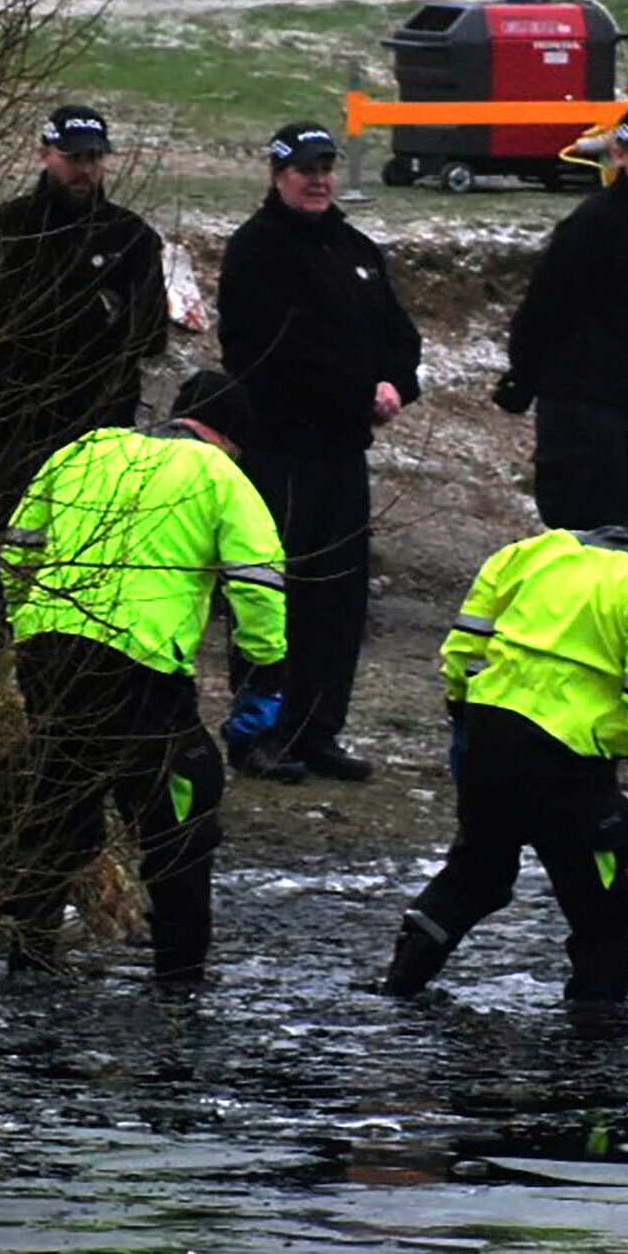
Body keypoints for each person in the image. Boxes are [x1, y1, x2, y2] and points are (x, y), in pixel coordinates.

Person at [375, 461, 628, 1015]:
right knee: (608, 908)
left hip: (488, 736)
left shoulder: (534, 552)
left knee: (477, 875)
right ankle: (592, 1053)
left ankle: (396, 990)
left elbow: (464, 645)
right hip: (566, 763)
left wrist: (461, 720)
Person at [0, 369, 286, 981]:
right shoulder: (219, 476)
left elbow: (17, 547)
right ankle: (180, 973)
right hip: (138, 661)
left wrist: (28, 626)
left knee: (60, 795)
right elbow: (259, 584)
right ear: (229, 437)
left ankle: (29, 955)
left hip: (49, 651)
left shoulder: (85, 451)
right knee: (180, 800)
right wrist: (262, 667)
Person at [212, 120, 424, 785]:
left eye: (327, 167)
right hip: (278, 451)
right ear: (278, 175)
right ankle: (257, 734)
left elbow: (399, 335)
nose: (319, 179)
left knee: (339, 600)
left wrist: (393, 384)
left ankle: (318, 729)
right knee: (273, 595)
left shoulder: (354, 248)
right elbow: (266, 355)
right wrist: (356, 393)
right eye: (306, 169)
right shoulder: (256, 250)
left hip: (341, 454)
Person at [0, 102, 169, 612]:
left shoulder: (133, 237)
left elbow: (149, 335)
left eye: (95, 158)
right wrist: (98, 307)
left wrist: (84, 314)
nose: (86, 170)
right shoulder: (5, 229)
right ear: (45, 154)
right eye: (74, 157)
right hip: (17, 422)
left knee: (90, 562)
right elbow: (9, 324)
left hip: (100, 427)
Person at [491, 100, 628, 531]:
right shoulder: (591, 225)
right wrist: (523, 378)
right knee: (584, 527)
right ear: (620, 154)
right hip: (580, 406)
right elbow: (542, 307)